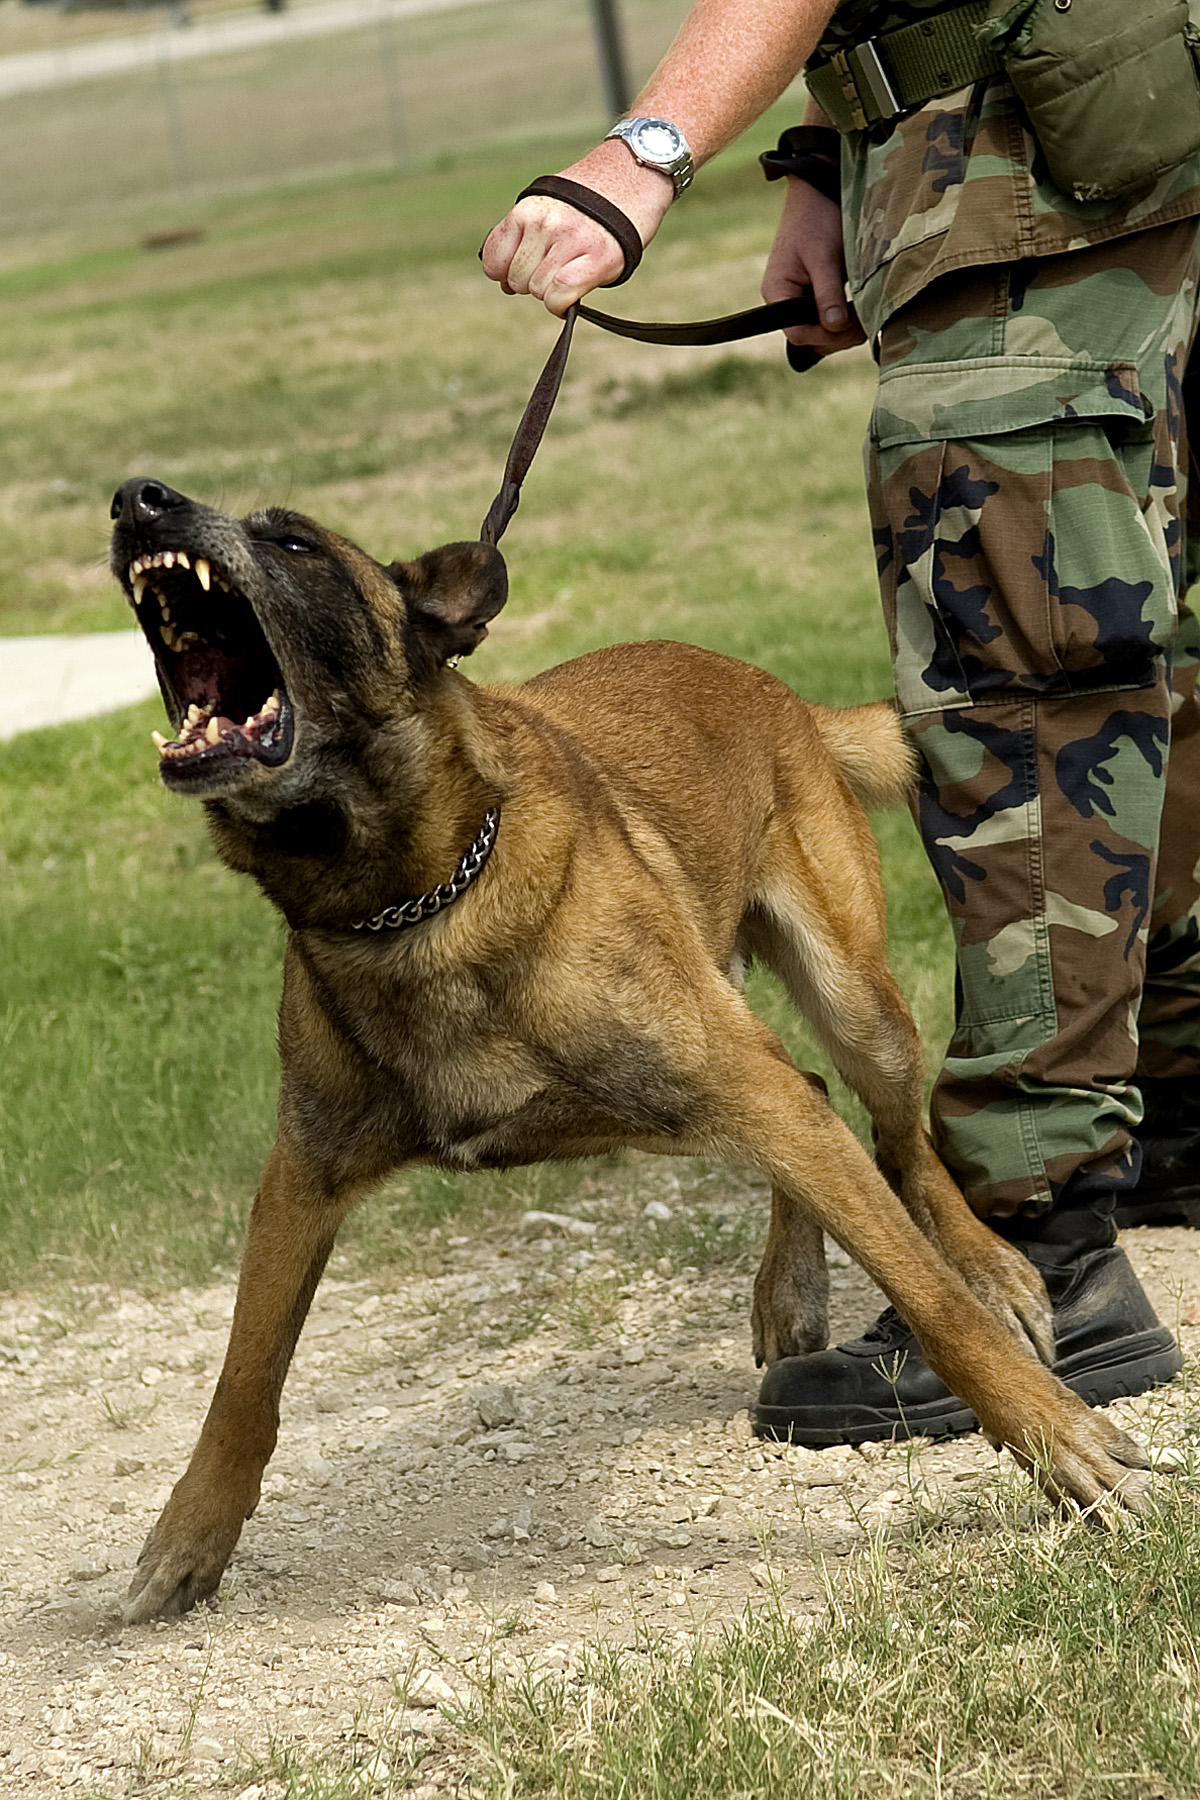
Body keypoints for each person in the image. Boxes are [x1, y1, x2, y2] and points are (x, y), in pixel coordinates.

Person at [482, 0, 1200, 1445]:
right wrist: (826, 160)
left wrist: (647, 151)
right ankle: (1169, 1102)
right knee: (1153, 636)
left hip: (1030, 178)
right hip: (1122, 131)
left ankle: (1032, 1246)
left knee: (1029, 692)